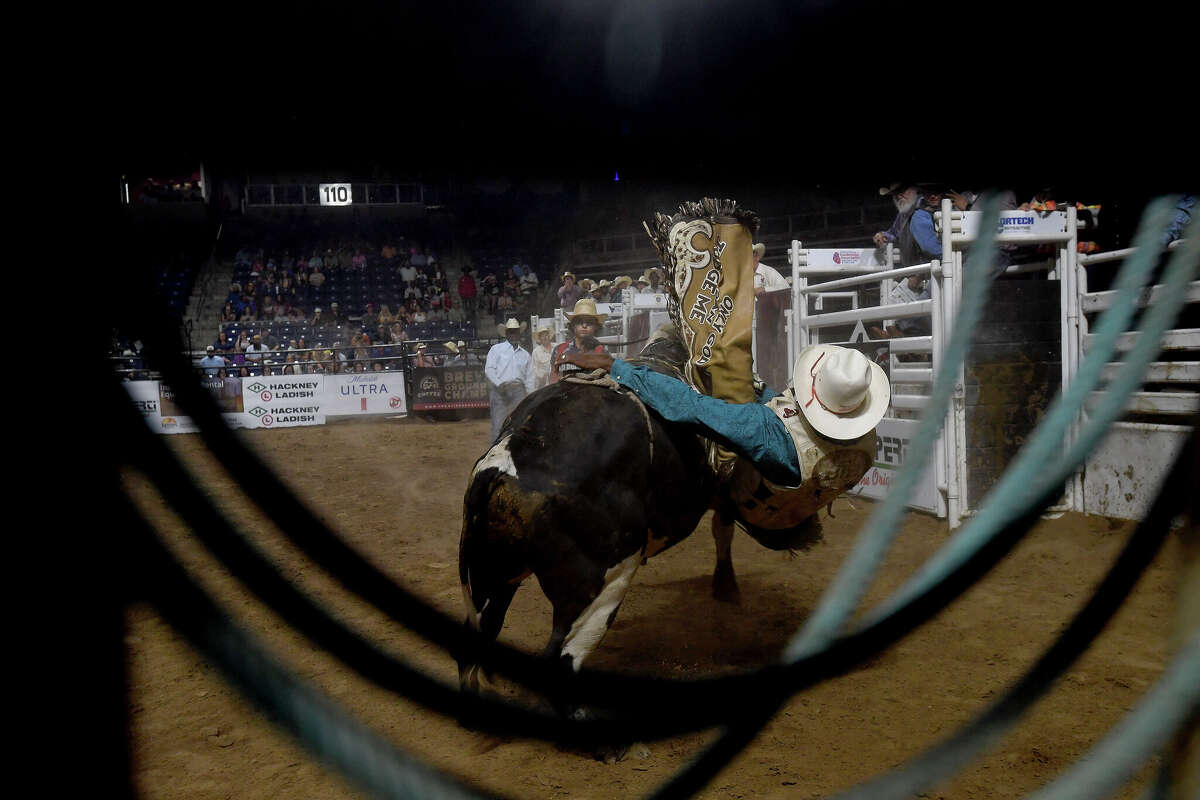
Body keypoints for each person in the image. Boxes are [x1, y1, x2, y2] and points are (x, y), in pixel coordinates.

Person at [561, 344, 890, 528]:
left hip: (760, 511)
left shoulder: (766, 433)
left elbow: (692, 407)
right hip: (800, 510)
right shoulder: (866, 440)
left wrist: (618, 366)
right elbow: (801, 421)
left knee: (706, 463)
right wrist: (760, 390)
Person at [484, 318, 535, 442]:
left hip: (518, 391)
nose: (513, 334)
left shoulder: (525, 355)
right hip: (500, 390)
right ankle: (494, 455)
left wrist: (530, 395)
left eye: (515, 331)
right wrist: (499, 384)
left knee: (520, 425)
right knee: (498, 425)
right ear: (506, 334)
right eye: (511, 332)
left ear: (519, 333)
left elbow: (530, 378)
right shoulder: (496, 349)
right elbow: (489, 369)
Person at [872, 182, 941, 267]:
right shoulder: (904, 213)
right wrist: (884, 236)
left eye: (902, 191)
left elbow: (931, 248)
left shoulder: (926, 205)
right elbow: (894, 233)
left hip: (931, 267)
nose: (898, 196)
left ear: (915, 189)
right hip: (918, 269)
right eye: (895, 194)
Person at [550, 298, 608, 383]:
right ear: (573, 325)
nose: (584, 325)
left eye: (589, 322)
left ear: (595, 327)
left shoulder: (601, 352)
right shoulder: (559, 350)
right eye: (579, 322)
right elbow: (553, 377)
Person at [530, 322, 554, 389]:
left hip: (558, 383)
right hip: (545, 386)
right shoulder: (536, 352)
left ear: (549, 336)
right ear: (539, 339)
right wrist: (543, 375)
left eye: (546, 335)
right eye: (542, 336)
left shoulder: (556, 347)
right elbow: (534, 370)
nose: (545, 337)